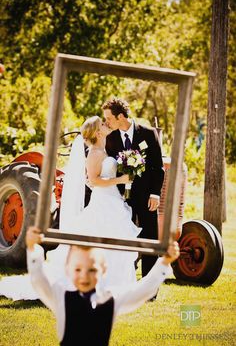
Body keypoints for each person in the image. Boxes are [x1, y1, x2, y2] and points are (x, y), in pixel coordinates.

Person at [0, 115, 140, 301]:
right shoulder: (95, 153)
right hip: (104, 200)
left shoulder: (103, 150)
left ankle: (117, 284)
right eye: (103, 124)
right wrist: (121, 180)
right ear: (98, 132)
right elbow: (94, 181)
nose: (106, 125)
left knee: (117, 239)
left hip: (113, 199)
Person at [26, 226, 180, 346]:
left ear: (104, 270)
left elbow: (143, 290)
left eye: (92, 270)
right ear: (67, 269)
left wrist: (165, 262)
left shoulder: (110, 298)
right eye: (78, 270)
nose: (84, 276)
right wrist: (32, 249)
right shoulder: (60, 296)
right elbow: (39, 281)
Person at [102, 98, 165, 289]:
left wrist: (155, 193)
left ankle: (149, 287)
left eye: (108, 118)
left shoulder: (148, 134)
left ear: (120, 116)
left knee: (149, 239)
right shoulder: (110, 139)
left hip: (147, 198)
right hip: (121, 200)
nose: (106, 123)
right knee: (123, 239)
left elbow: (158, 167)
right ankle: (124, 282)